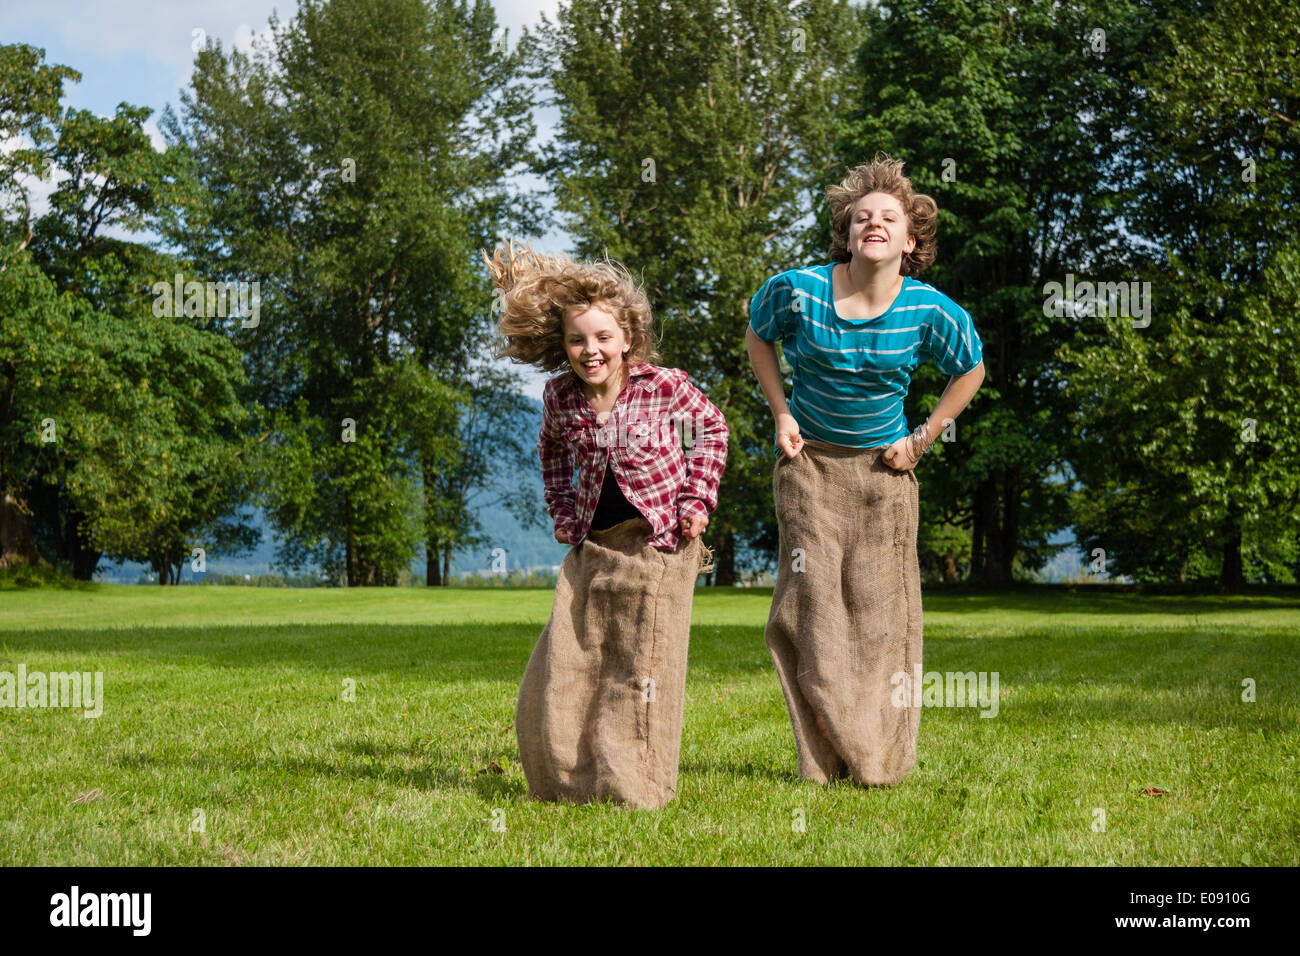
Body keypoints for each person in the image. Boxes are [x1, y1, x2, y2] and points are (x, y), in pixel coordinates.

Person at [745, 153, 985, 786]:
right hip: (812, 472)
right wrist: (781, 414)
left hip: (884, 478)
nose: (872, 223)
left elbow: (971, 369)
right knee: (814, 615)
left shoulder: (930, 310)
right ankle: (821, 759)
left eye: (888, 217)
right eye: (860, 217)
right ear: (847, 233)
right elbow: (757, 335)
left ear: (911, 240)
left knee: (880, 623)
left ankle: (876, 759)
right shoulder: (798, 289)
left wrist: (922, 439)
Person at [484, 238, 729, 809]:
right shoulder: (560, 397)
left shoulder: (665, 387)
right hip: (595, 544)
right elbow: (549, 454)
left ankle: (635, 785)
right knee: (570, 659)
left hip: (661, 544)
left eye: (602, 338)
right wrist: (564, 513)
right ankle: (567, 781)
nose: (589, 350)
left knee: (639, 664)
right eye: (577, 339)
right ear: (562, 343)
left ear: (627, 340)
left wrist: (697, 503)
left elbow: (711, 432)